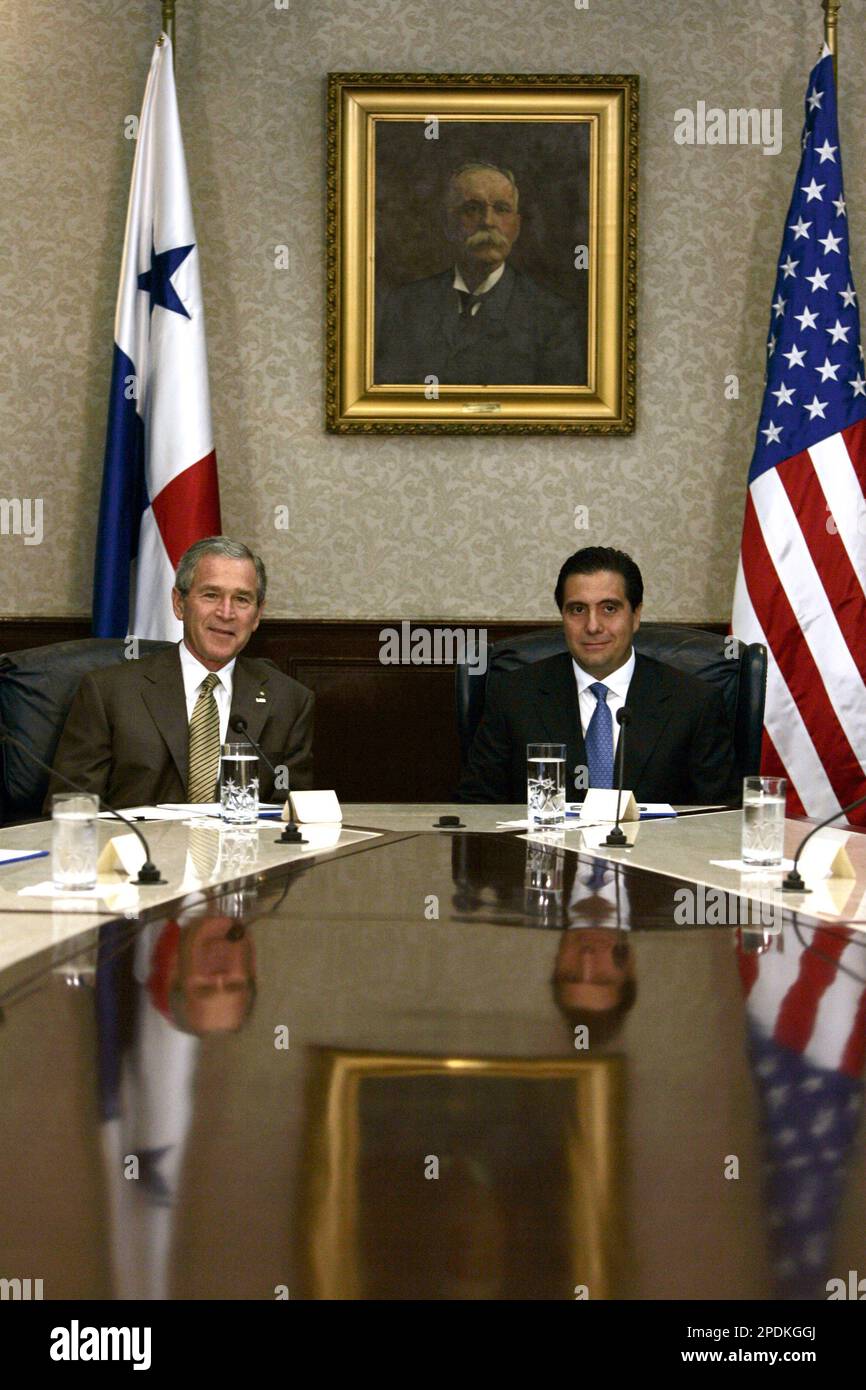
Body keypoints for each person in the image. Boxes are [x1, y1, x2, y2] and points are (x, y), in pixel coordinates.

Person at [45, 536, 314, 810]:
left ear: (257, 615)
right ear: (179, 603)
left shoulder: (289, 701)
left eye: (242, 599)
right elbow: (70, 812)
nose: (226, 612)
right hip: (140, 850)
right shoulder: (109, 693)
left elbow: (293, 817)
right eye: (211, 595)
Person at [457, 545, 736, 805]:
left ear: (636, 615)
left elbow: (720, 818)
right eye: (578, 610)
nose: (592, 626)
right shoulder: (514, 696)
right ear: (562, 616)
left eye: (609, 609)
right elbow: (477, 808)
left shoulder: (694, 702)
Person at [374, 161, 585, 386]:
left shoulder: (555, 319)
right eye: (472, 209)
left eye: (502, 209)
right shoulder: (405, 307)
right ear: (448, 224)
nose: (488, 222)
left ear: (516, 225)